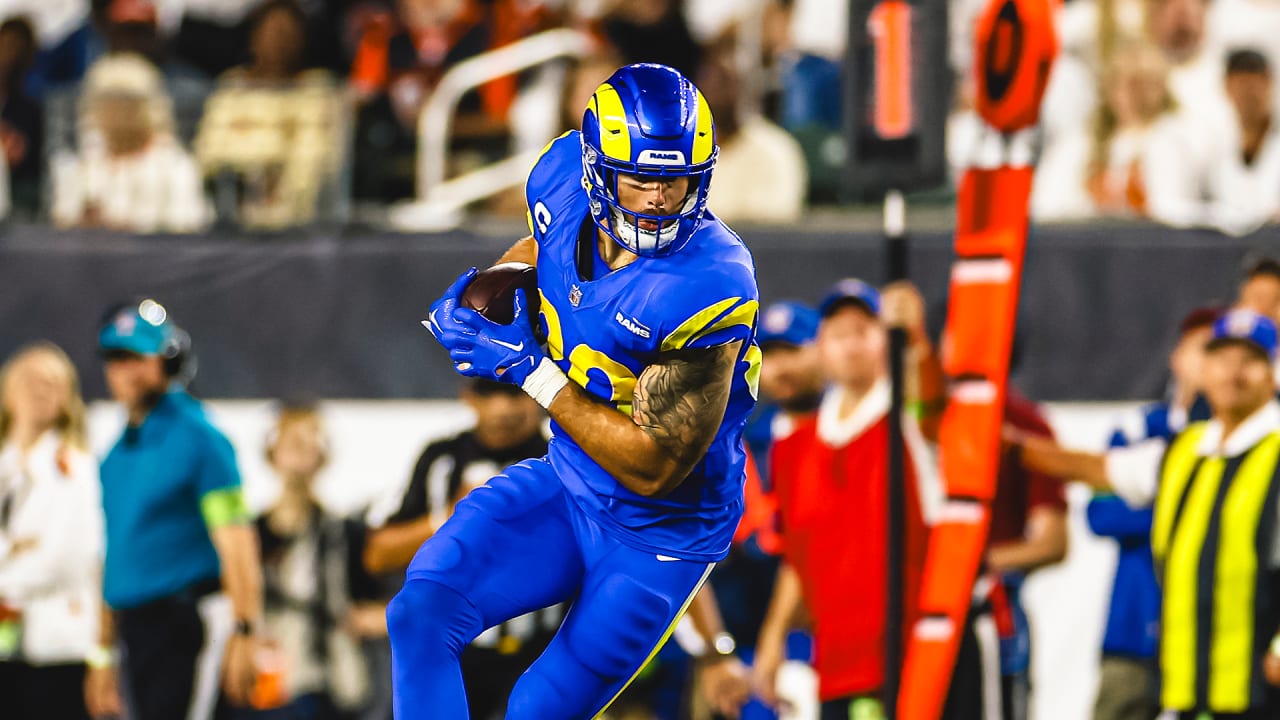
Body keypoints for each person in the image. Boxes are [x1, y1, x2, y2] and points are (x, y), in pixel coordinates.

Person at [400, 63, 760, 719]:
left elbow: (654, 466)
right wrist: (500, 284)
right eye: (641, 179)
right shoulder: (562, 177)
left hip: (660, 532)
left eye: (674, 180)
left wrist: (528, 368)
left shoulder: (708, 282)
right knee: (423, 608)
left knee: (538, 708)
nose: (657, 198)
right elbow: (543, 243)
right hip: (571, 481)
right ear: (596, 171)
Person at [1009, 309, 1280, 719]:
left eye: (1250, 361)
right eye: (1223, 359)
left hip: (1261, 691)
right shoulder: (1184, 450)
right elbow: (1099, 468)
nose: (1233, 373)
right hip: (1185, 687)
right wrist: (1012, 447)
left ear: (1273, 371)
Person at [752, 279, 940, 720]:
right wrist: (773, 638)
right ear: (821, 348)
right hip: (836, 661)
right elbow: (799, 556)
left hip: (909, 655)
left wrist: (914, 336)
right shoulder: (793, 448)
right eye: (838, 334)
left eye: (864, 330)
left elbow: (931, 403)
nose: (851, 345)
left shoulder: (908, 421)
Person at [84, 298, 264, 720]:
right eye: (116, 358)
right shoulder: (115, 455)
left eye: (136, 357)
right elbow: (114, 555)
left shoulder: (201, 439)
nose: (126, 370)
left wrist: (246, 628)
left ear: (169, 361)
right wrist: (101, 654)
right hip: (135, 631)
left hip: (185, 627)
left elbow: (236, 541)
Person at [365, 378, 554, 720]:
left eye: (514, 392)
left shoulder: (562, 459)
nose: (503, 407)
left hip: (543, 652)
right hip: (457, 652)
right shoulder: (441, 460)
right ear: (469, 397)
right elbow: (377, 554)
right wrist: (450, 517)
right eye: (489, 392)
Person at [1089, 307, 1216, 720]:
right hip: (1133, 631)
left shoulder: (1241, 444)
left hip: (1206, 641)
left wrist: (1153, 502)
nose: (1209, 363)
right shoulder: (1138, 428)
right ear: (1177, 355)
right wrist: (1190, 510)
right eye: (1203, 349)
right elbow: (1100, 513)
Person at [251, 404, 381, 719]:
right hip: (267, 683)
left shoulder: (344, 534)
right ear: (272, 452)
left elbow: (377, 603)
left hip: (332, 684)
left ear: (323, 457)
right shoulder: (251, 533)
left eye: (310, 444)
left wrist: (368, 619)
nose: (301, 454)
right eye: (293, 442)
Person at [0, 343, 100, 720]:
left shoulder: (81, 471)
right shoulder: (5, 467)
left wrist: (10, 563)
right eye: (29, 379)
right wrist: (15, 547)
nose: (40, 389)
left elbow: (66, 561)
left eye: (52, 382)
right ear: (7, 391)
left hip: (56, 651)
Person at [194, 0, 344, 229]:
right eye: (271, 31)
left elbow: (319, 161)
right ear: (254, 37)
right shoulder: (232, 88)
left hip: (300, 224)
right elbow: (210, 154)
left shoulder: (319, 90)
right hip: (234, 216)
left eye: (287, 32)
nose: (279, 42)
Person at [49, 52, 209, 233]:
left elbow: (188, 223)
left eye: (128, 103)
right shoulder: (80, 165)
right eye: (108, 103)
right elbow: (62, 218)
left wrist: (133, 226)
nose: (119, 113)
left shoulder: (177, 166)